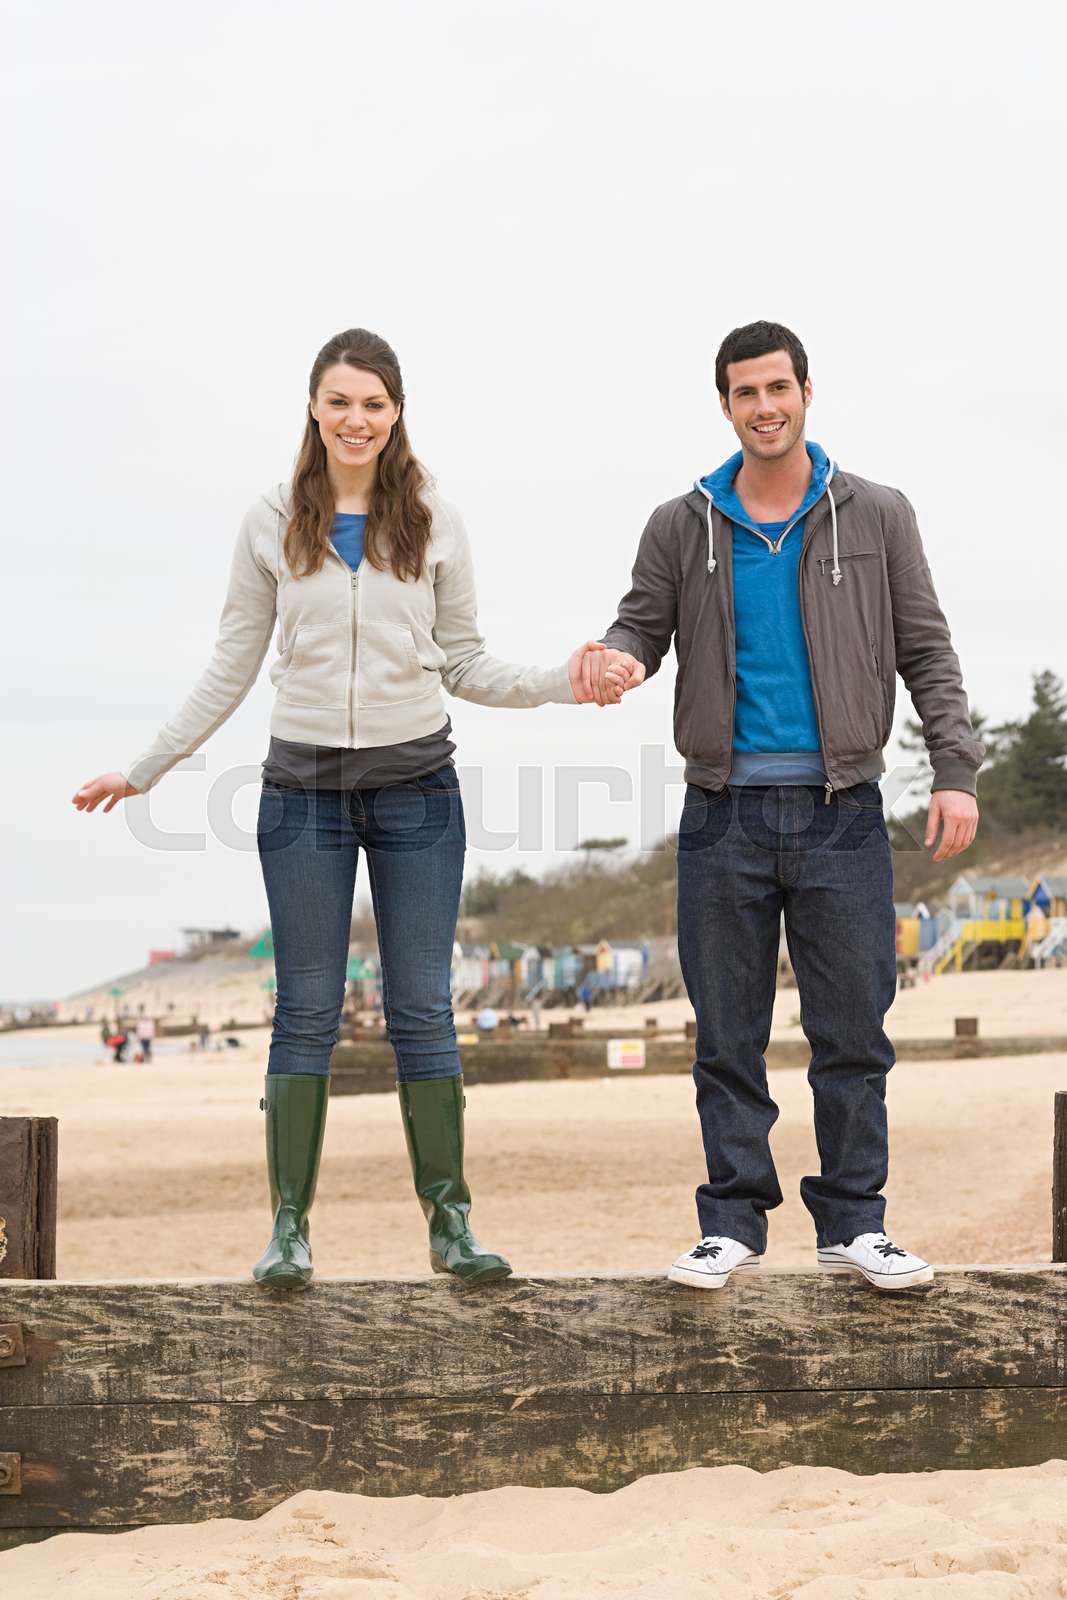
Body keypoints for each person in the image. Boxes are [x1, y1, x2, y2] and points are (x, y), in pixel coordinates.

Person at [72, 327, 629, 1292]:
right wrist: (146, 767)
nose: (356, 419)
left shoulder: (435, 521)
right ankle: (287, 1229)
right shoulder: (270, 522)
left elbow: (465, 664)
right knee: (306, 1012)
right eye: (339, 402)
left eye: (373, 403)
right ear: (313, 410)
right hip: (302, 798)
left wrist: (564, 685)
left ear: (397, 411)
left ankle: (450, 1224)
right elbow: (231, 667)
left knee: (421, 1011)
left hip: (417, 791)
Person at [583, 321, 982, 1293]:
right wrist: (619, 656)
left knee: (853, 1031)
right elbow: (639, 622)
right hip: (721, 814)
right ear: (723, 405)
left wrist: (955, 768)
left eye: (777, 388)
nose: (763, 407)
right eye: (743, 393)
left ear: (806, 391)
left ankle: (853, 1222)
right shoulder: (681, 526)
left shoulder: (876, 514)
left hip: (842, 811)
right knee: (726, 1034)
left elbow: (924, 649)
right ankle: (730, 1224)